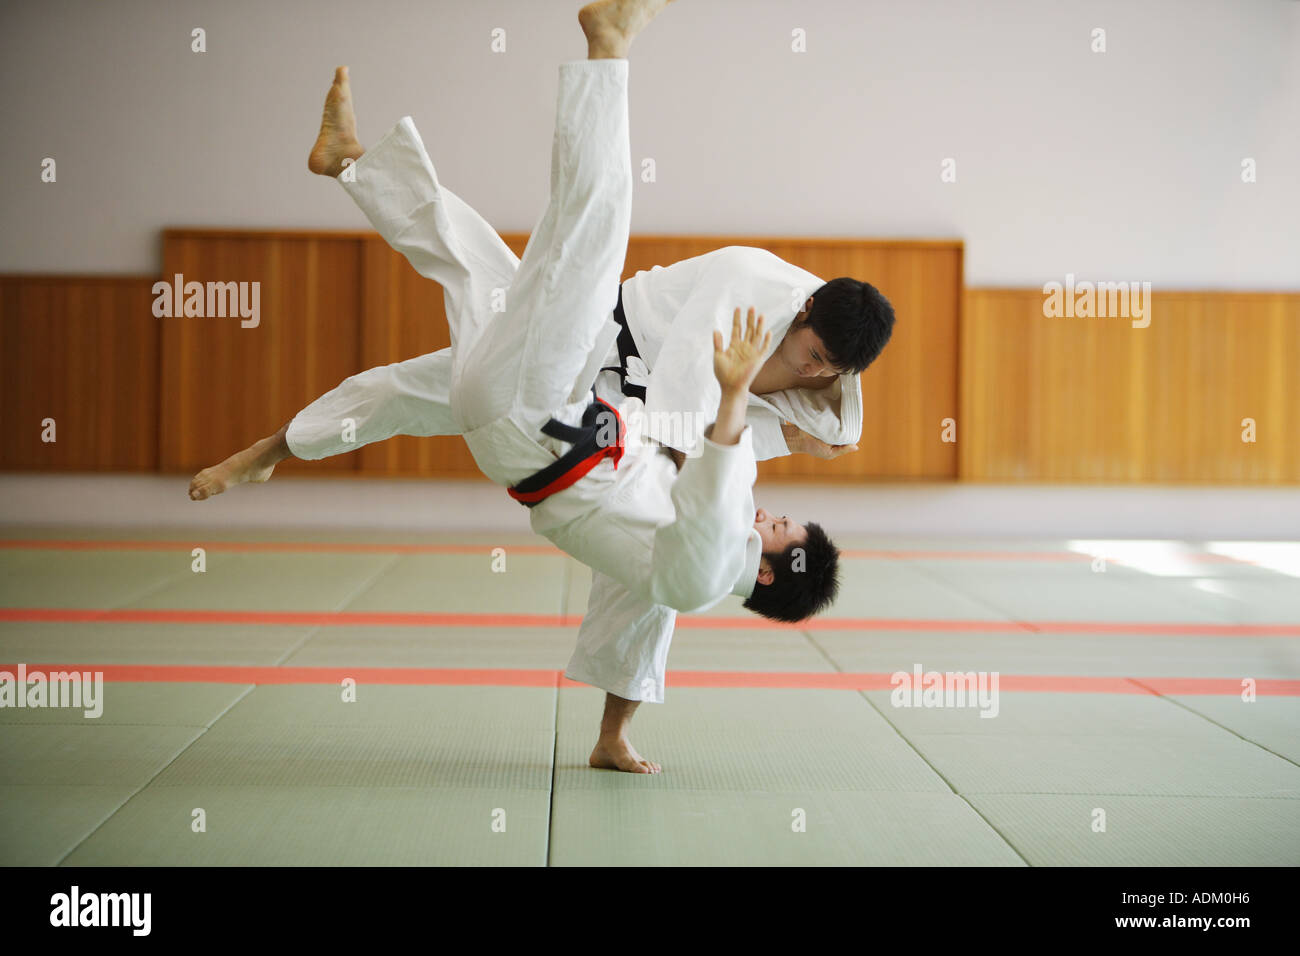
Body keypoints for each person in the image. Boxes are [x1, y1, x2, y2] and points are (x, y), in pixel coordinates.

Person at [191, 0, 841, 773]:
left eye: (784, 528)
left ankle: (608, 49)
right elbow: (630, 630)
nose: (773, 513)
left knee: (590, 234)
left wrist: (737, 394)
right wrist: (611, 737)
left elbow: (722, 464)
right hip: (532, 415)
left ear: (770, 569)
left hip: (536, 422)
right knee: (461, 297)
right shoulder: (678, 562)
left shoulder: (703, 563)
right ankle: (345, 183)